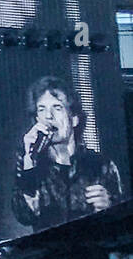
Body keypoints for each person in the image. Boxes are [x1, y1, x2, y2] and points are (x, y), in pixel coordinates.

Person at [12, 76, 124, 231]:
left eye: (57, 108)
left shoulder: (100, 164)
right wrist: (29, 159)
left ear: (75, 119)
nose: (48, 116)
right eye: (41, 109)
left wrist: (109, 208)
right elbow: (24, 215)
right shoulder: (30, 164)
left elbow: (122, 230)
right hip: (50, 253)